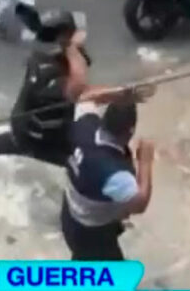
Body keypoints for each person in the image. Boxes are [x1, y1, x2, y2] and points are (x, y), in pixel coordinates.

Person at [0, 9, 148, 168]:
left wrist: (72, 48)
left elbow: (83, 66)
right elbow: (81, 92)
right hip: (38, 133)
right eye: (74, 32)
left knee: (12, 142)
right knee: (81, 162)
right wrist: (120, 93)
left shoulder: (45, 53)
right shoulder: (51, 71)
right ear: (63, 39)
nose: (81, 34)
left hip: (29, 117)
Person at [61, 100, 154, 260]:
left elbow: (86, 97)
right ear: (130, 131)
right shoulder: (113, 173)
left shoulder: (85, 124)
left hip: (70, 215)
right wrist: (145, 161)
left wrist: (122, 95)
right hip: (91, 235)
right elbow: (140, 203)